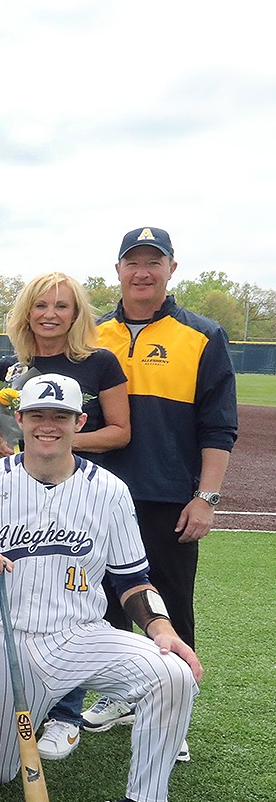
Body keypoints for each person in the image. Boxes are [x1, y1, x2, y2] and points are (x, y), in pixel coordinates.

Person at [0, 374, 203, 802]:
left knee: (171, 673)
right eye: (37, 416)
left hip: (80, 634)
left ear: (79, 422)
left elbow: (133, 579)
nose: (48, 426)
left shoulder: (109, 490)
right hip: (6, 638)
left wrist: (160, 627)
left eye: (59, 417)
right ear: (18, 420)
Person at [86, 228, 235, 762]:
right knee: (102, 602)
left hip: (167, 497)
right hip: (96, 497)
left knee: (169, 603)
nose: (142, 272)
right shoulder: (92, 333)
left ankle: (174, 713)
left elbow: (218, 426)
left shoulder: (201, 334)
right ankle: (119, 696)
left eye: (154, 261)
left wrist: (206, 497)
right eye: (133, 262)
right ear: (118, 269)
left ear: (172, 268)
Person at [0, 271, 130, 757]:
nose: (50, 314)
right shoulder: (9, 366)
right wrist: (11, 445)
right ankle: (22, 700)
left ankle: (66, 714)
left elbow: (118, 432)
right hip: (22, 497)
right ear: (26, 312)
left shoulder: (99, 363)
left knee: (72, 602)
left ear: (77, 314)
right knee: (26, 600)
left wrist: (50, 443)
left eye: (62, 306)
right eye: (40, 305)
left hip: (80, 494)